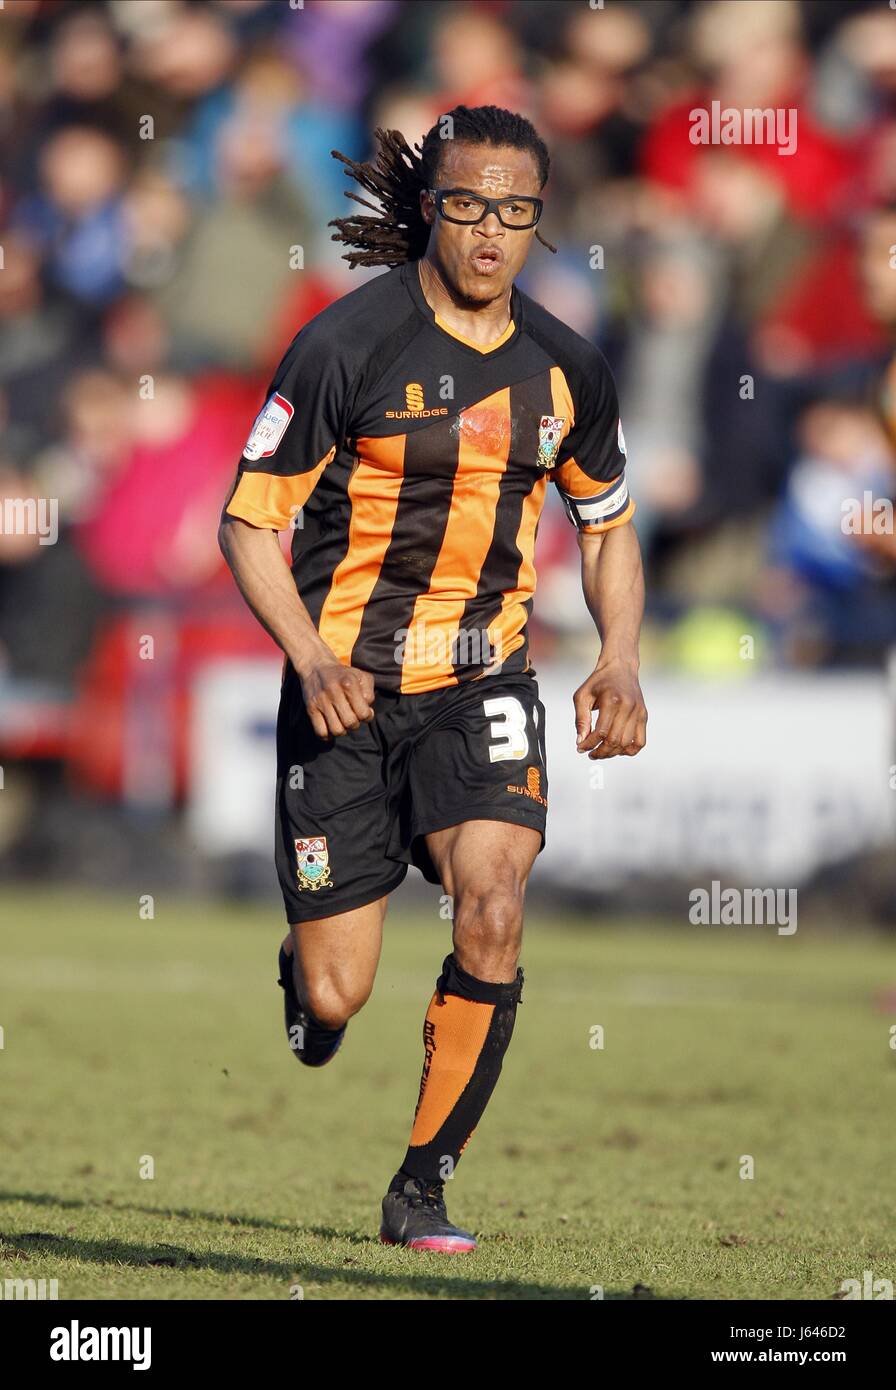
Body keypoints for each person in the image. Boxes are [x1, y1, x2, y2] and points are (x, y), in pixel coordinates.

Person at [219, 105, 647, 1253]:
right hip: (343, 692)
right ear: (427, 209)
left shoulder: (567, 368)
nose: (491, 232)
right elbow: (249, 523)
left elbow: (606, 525)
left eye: (516, 211)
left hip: (483, 683)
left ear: (537, 219)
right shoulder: (342, 346)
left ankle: (421, 1186)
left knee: (493, 912)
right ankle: (305, 973)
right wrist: (309, 655)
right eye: (466, 206)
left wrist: (617, 655)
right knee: (334, 995)